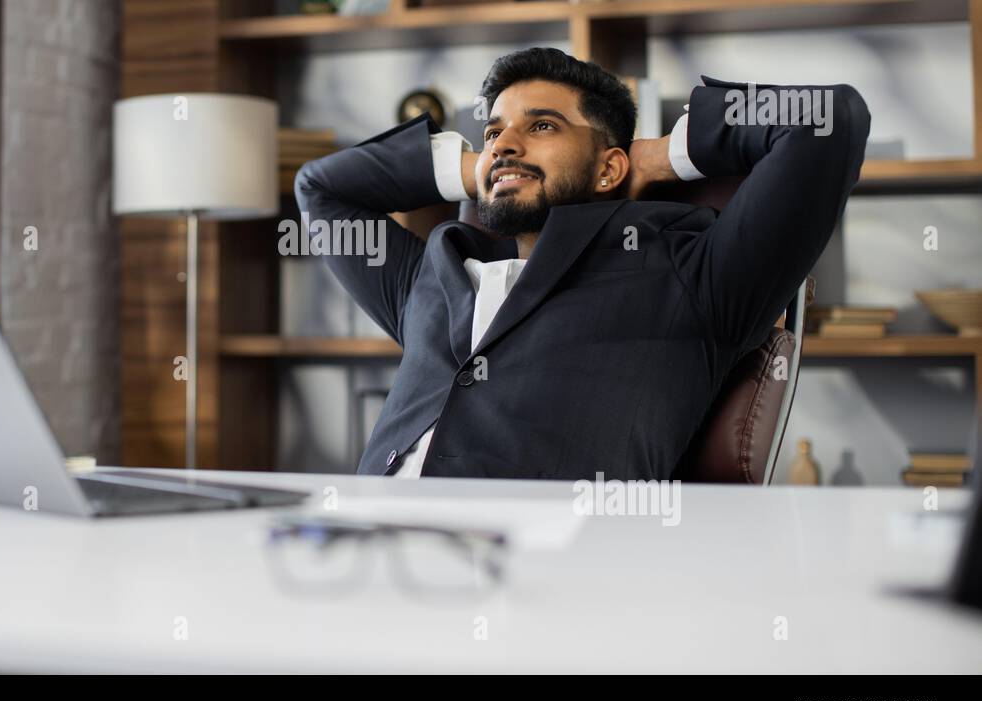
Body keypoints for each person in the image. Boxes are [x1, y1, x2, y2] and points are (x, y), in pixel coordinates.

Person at [294, 46, 870, 479]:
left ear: (609, 168)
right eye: (494, 130)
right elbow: (318, 189)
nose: (503, 142)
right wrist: (480, 169)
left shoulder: (687, 274)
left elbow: (827, 120)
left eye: (542, 125)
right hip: (365, 561)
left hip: (547, 587)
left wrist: (664, 154)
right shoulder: (433, 273)